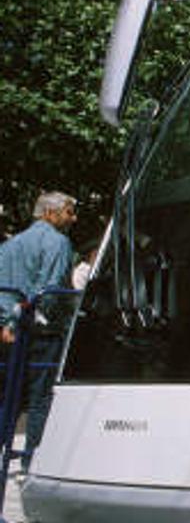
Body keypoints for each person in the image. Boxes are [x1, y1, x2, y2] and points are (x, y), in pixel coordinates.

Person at [0, 191, 77, 461]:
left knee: (9, 393)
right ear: (49, 213)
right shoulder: (59, 242)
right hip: (43, 330)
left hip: (10, 331)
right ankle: (31, 458)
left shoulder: (11, 244)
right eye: (69, 212)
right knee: (40, 396)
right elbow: (51, 289)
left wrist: (7, 323)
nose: (73, 219)